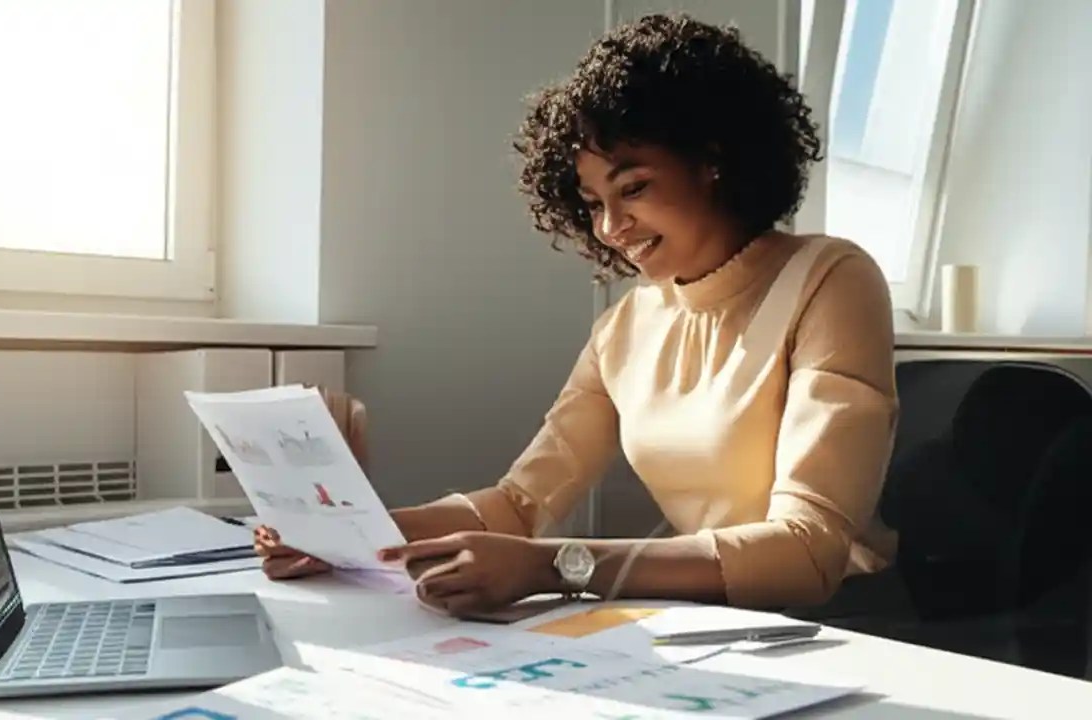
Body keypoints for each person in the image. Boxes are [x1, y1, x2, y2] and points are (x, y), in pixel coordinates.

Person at [256, 13, 898, 614]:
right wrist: (351, 536)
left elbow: (807, 551)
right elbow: (518, 504)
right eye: (593, 203)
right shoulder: (626, 327)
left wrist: (553, 567)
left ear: (715, 161)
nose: (613, 227)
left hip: (850, 624)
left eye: (634, 188)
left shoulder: (831, 279)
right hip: (706, 623)